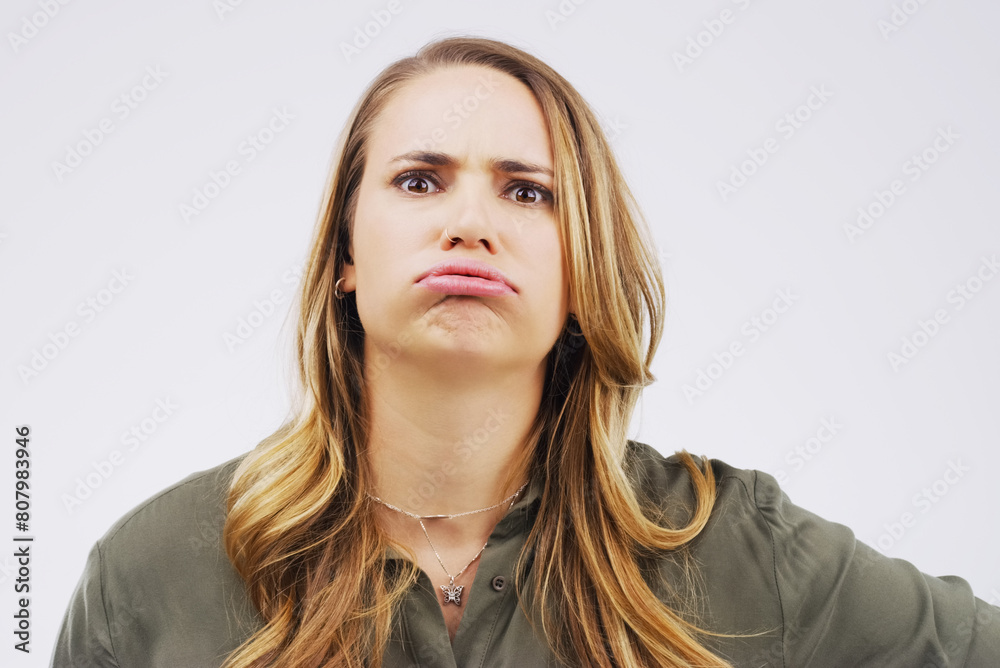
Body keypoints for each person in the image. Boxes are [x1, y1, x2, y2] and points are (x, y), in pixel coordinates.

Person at [52, 36, 1000, 668]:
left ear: (582, 269)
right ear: (346, 254)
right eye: (420, 181)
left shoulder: (738, 548)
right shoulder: (151, 573)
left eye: (529, 193)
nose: (469, 223)